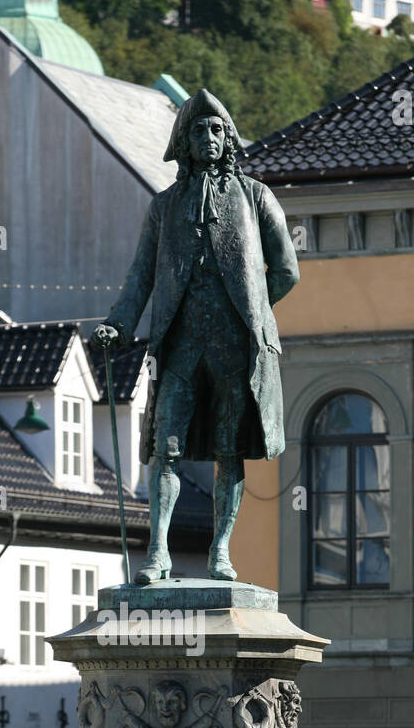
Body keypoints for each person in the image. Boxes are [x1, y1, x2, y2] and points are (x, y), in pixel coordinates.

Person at [93, 88, 298, 584]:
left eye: (216, 130)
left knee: (229, 448)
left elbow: (286, 269)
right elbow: (141, 275)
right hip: (180, 344)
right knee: (167, 444)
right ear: (183, 142)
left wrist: (252, 312)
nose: (208, 137)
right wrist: (118, 325)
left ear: (228, 139)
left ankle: (220, 553)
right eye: (198, 130)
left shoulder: (255, 197)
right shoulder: (164, 207)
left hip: (234, 347)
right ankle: (158, 553)